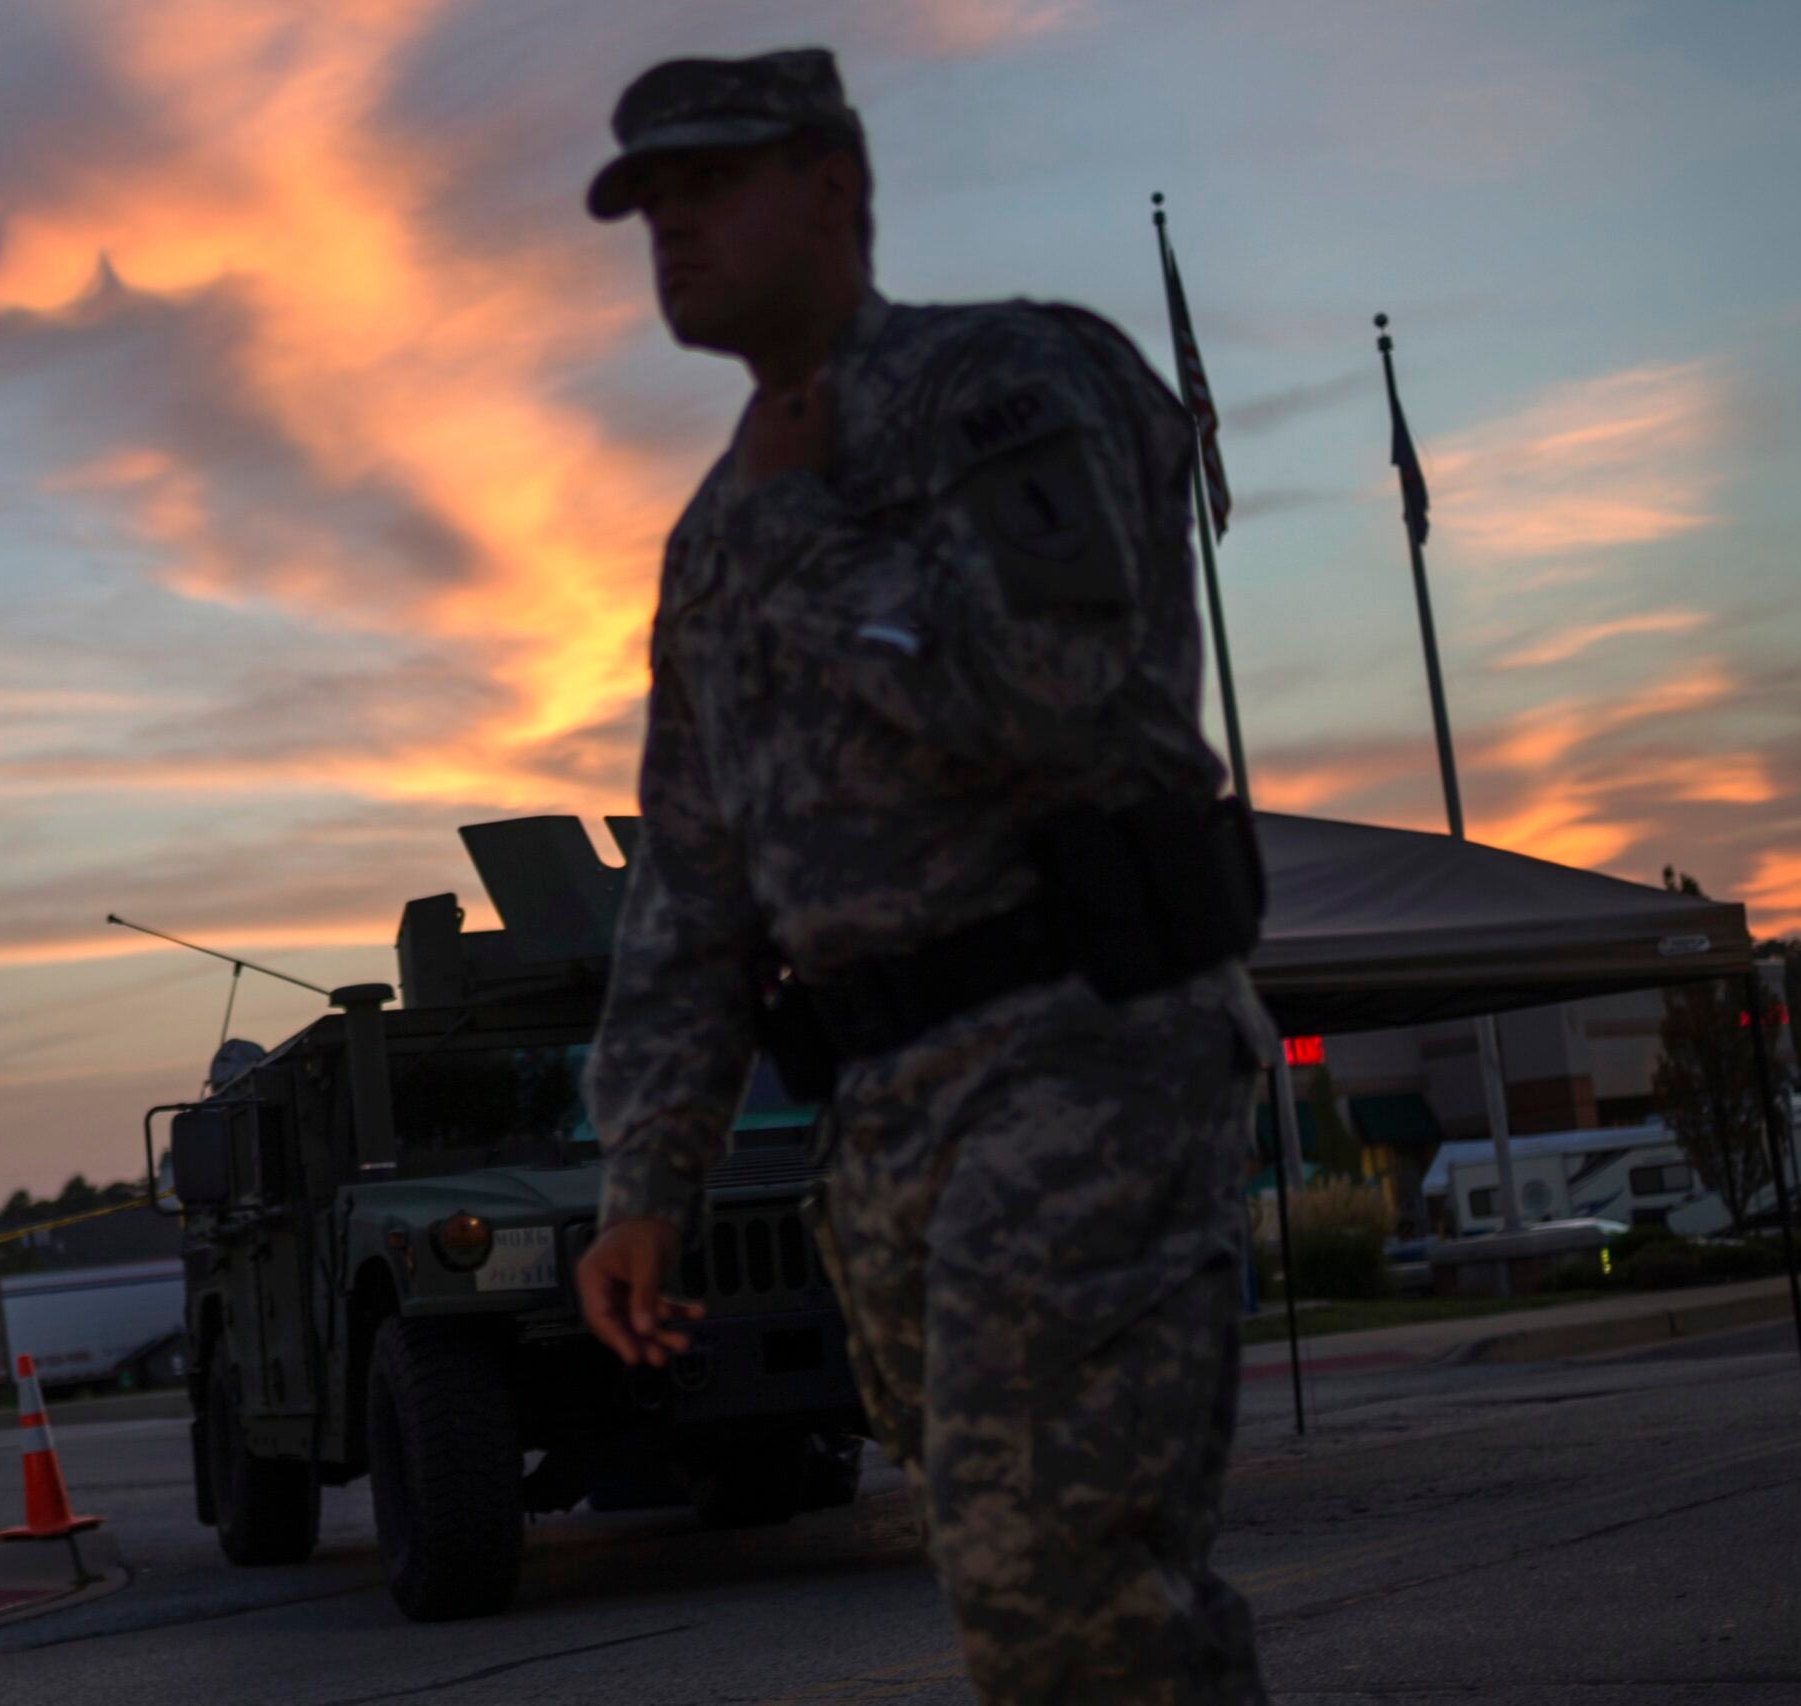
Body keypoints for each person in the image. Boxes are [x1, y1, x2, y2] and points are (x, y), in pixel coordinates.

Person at [570, 50, 1275, 1705]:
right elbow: (690, 881)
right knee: (1064, 1605)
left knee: (1073, 1615)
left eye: (709, 186)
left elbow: (1061, 693)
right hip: (884, 1124)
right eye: (646, 205)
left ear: (832, 186)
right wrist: (648, 1178)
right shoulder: (715, 533)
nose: (669, 230)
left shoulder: (1011, 385)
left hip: (1078, 1048)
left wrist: (809, 538)